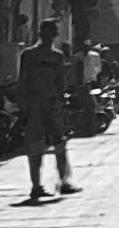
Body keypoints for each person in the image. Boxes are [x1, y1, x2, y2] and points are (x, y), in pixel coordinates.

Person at [14, 16, 76, 203]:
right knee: (39, 146)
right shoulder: (33, 55)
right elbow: (24, 81)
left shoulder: (53, 56)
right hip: (39, 105)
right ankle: (39, 186)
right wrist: (23, 108)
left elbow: (59, 83)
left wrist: (61, 103)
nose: (50, 37)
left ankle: (59, 183)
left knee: (56, 144)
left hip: (46, 104)